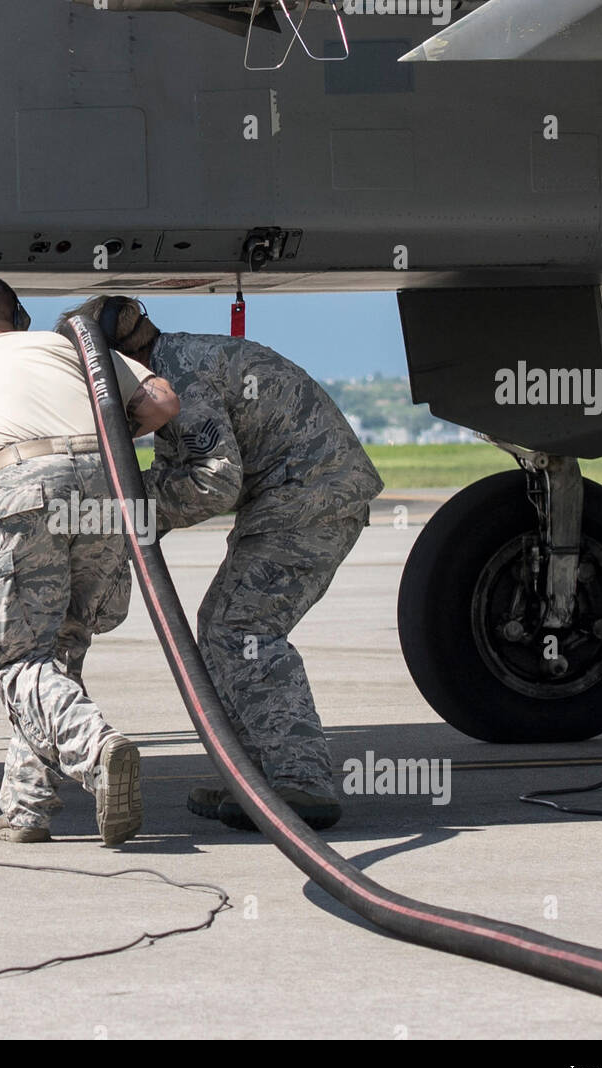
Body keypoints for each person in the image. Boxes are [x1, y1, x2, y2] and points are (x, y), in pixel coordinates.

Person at [57, 296, 383, 832]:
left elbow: (213, 480)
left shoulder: (181, 379)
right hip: (297, 498)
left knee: (241, 629)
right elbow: (180, 468)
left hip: (309, 500)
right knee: (224, 629)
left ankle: (299, 782)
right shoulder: (175, 365)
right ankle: (256, 779)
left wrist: (131, 511)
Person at [0, 277, 180, 845]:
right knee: (59, 647)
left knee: (14, 658)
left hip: (18, 483)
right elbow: (161, 402)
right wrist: (99, 439)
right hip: (107, 487)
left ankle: (97, 747)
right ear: (22, 316)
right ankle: (27, 809)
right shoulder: (66, 347)